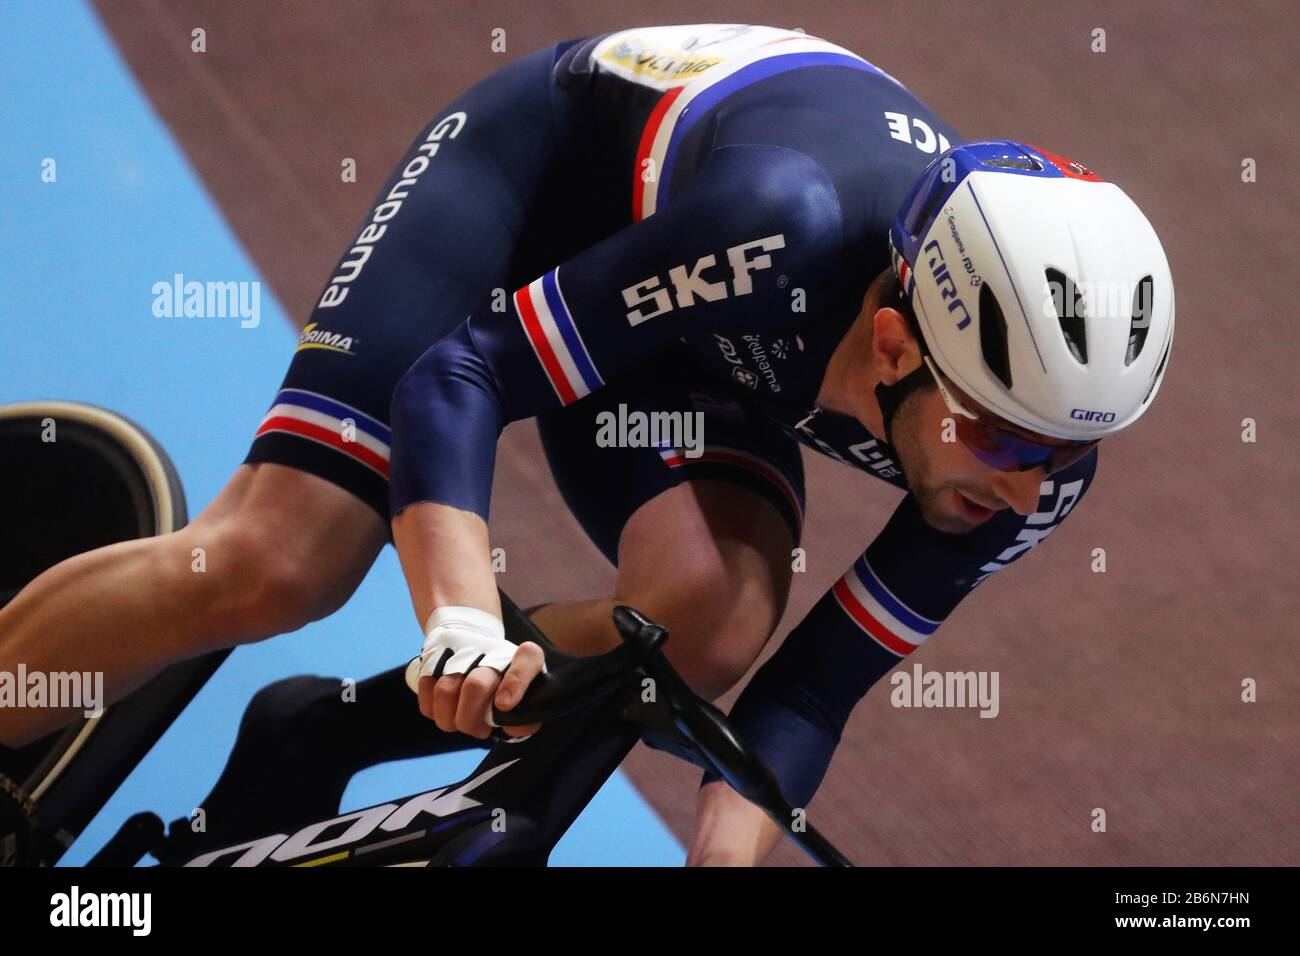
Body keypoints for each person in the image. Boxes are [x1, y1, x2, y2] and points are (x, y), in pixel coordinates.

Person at [0, 23, 1173, 865]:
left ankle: (322, 731)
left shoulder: (1035, 450)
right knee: (281, 560)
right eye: (997, 437)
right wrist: (455, 623)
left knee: (707, 622)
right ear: (892, 342)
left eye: (1055, 458)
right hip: (551, 188)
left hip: (702, 334)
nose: (1019, 491)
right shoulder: (781, 222)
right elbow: (459, 373)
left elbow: (809, 694)